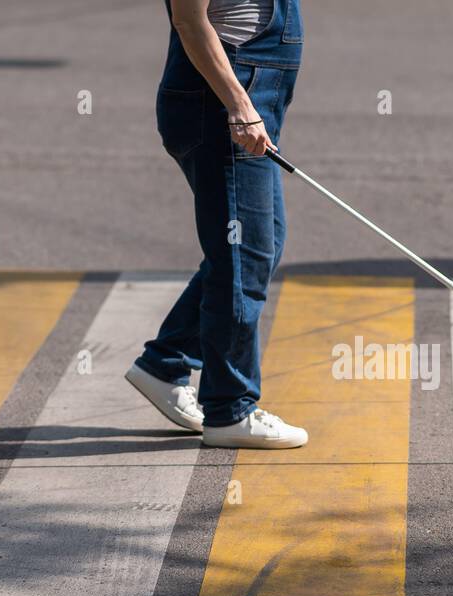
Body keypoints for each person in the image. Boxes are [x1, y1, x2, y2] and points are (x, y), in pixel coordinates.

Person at [126, 0, 308, 449]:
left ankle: (165, 363)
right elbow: (189, 18)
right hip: (223, 101)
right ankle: (230, 409)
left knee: (259, 247)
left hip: (250, 91)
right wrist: (239, 104)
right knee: (242, 256)